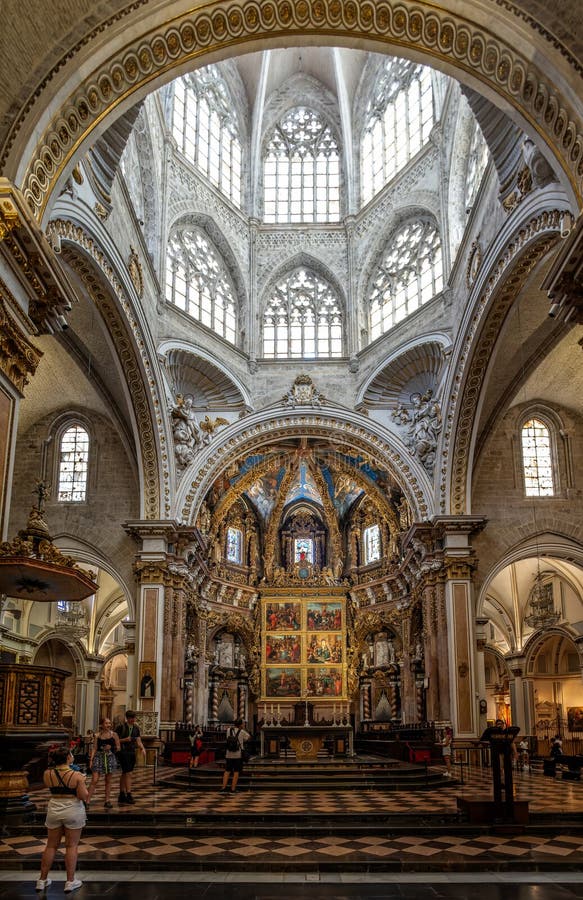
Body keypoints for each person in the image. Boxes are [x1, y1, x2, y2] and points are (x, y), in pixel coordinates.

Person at [35, 744, 89, 894]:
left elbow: (50, 787)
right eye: (71, 754)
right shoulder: (77, 775)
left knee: (51, 845)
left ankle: (42, 880)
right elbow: (83, 796)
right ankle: (70, 881)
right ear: (67, 758)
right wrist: (87, 784)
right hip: (72, 808)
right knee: (71, 846)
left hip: (54, 808)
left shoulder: (47, 773)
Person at [86, 717, 120, 808]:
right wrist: (91, 760)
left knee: (108, 780)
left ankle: (107, 801)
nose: (108, 725)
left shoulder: (114, 735)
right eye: (106, 723)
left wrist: (111, 748)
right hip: (98, 757)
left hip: (110, 757)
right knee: (94, 780)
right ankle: (87, 801)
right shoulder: (97, 735)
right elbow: (94, 748)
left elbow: (118, 747)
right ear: (102, 725)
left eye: (109, 723)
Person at [115, 710, 146, 805]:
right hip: (123, 752)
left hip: (131, 752)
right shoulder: (121, 727)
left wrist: (142, 748)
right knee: (129, 773)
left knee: (125, 773)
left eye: (133, 718)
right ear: (127, 718)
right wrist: (124, 739)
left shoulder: (136, 728)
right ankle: (129, 794)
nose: (132, 720)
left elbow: (138, 740)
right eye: (130, 718)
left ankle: (121, 794)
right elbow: (115, 740)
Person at [220, 717, 250, 794]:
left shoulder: (228, 730)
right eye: (243, 723)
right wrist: (243, 729)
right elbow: (248, 738)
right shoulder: (242, 732)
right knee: (236, 772)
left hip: (229, 754)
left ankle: (223, 788)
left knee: (227, 771)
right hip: (237, 755)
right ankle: (233, 789)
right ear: (240, 724)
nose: (243, 724)